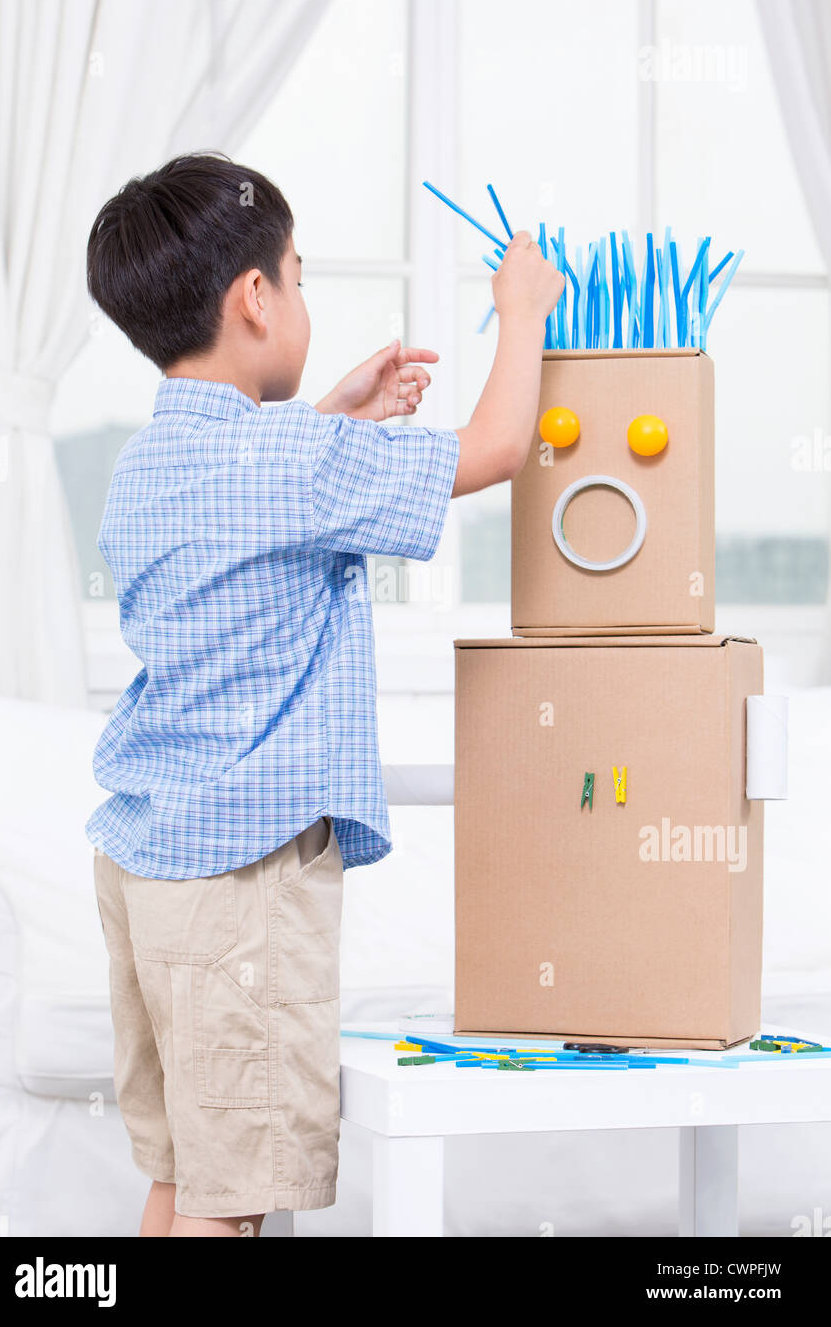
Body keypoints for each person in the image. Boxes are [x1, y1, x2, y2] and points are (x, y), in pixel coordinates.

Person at [84, 153, 564, 1236]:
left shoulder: (144, 463)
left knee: (183, 1181)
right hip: (237, 889)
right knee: (234, 1203)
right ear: (253, 299)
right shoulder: (291, 464)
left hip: (142, 870)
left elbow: (264, 498)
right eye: (294, 278)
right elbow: (494, 448)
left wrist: (337, 414)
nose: (300, 298)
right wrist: (520, 312)